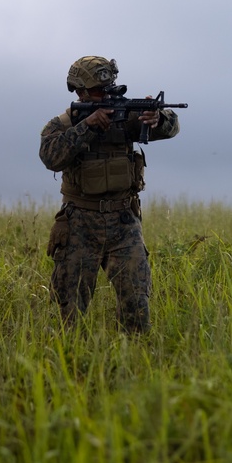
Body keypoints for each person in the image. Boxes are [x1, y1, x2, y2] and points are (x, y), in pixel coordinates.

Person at [39, 56, 181, 332]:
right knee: (69, 310)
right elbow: (50, 157)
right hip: (79, 221)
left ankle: (134, 361)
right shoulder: (64, 124)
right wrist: (87, 127)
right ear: (80, 92)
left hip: (123, 221)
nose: (106, 95)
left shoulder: (125, 115)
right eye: (97, 91)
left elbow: (172, 126)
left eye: (109, 88)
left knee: (137, 304)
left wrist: (157, 119)